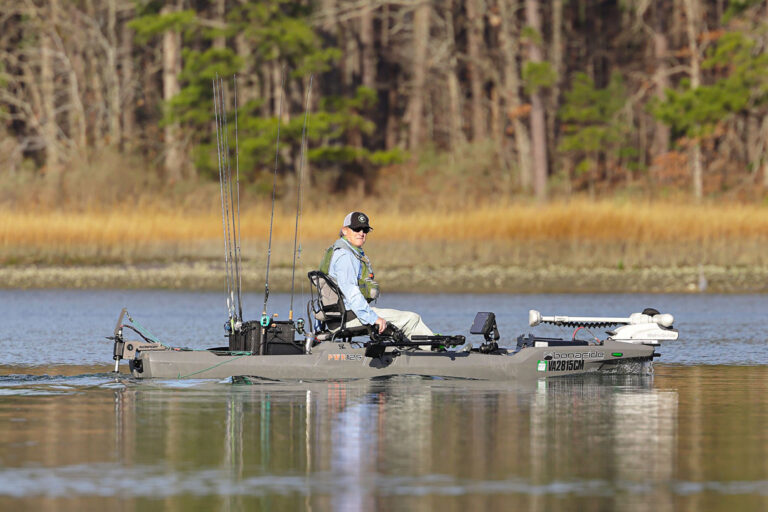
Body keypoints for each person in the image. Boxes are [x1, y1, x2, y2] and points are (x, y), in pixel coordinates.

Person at [319, 211, 434, 339]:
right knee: (412, 319)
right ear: (345, 230)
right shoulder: (346, 255)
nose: (361, 233)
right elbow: (351, 291)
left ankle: (416, 351)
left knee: (401, 323)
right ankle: (435, 353)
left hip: (339, 317)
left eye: (365, 230)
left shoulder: (338, 250)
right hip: (350, 316)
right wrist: (373, 318)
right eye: (356, 229)